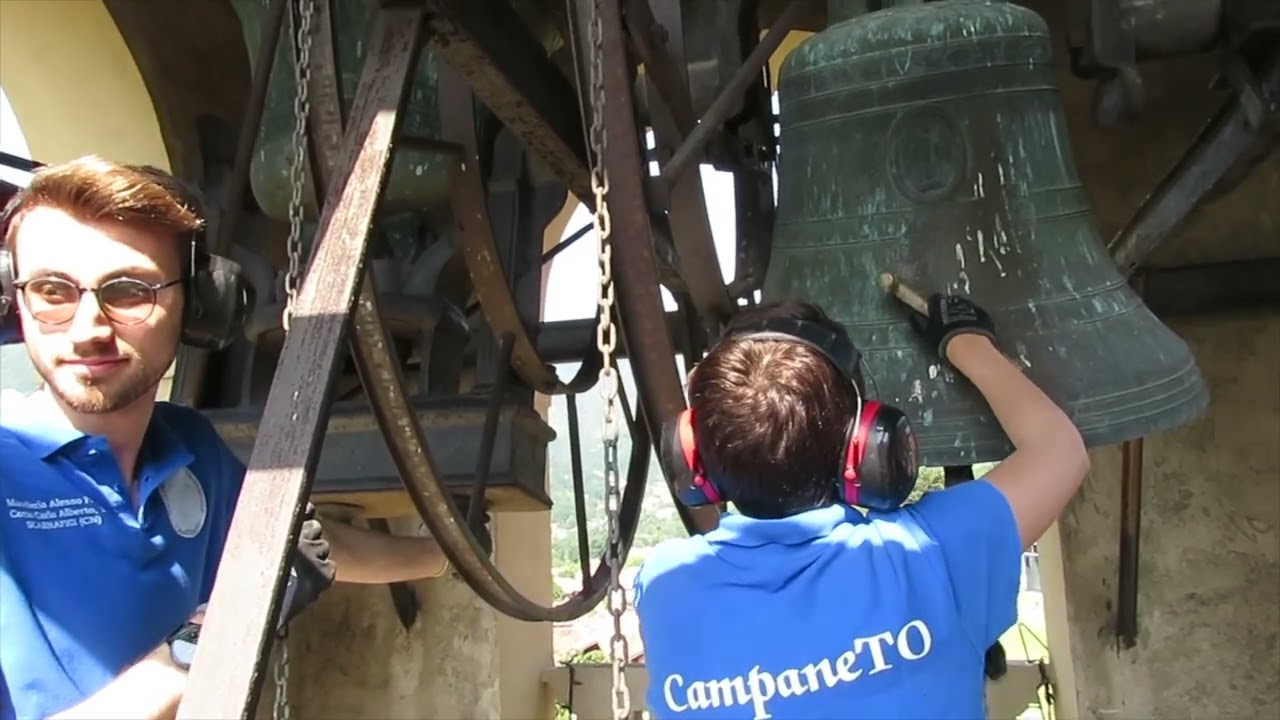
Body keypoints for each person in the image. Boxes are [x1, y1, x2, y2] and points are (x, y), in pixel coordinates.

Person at [0, 156, 458, 720]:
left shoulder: (192, 449)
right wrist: (177, 664)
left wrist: (446, 557)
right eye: (52, 291)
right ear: (16, 301)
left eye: (128, 291)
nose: (89, 328)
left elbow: (290, 551)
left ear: (200, 303)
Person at [634, 297, 1089, 719]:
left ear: (692, 456)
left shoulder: (664, 586)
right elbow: (1060, 450)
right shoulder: (931, 556)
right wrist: (966, 341)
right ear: (864, 444)